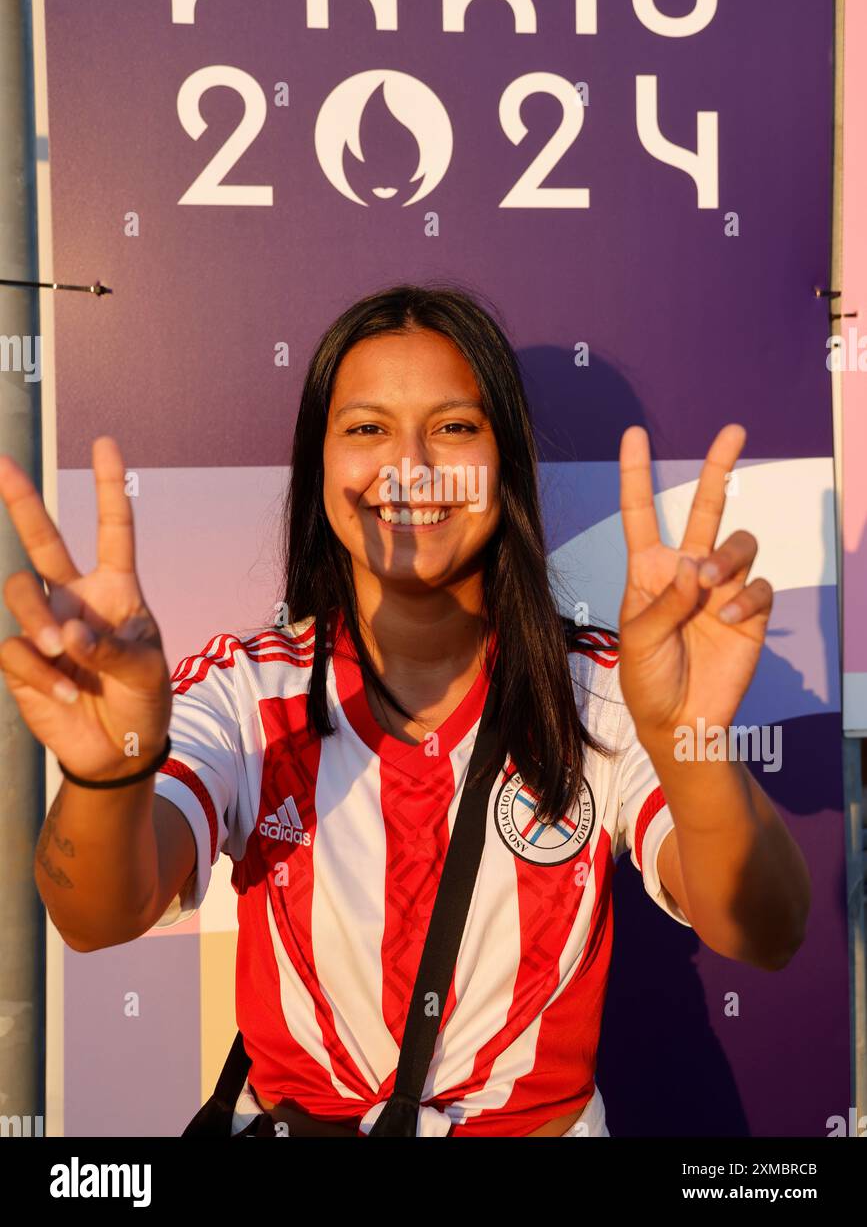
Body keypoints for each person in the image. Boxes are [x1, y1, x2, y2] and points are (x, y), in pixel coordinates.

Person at [0, 283, 810, 1137]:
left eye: (455, 428)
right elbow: (94, 918)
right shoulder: (245, 688)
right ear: (319, 465)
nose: (411, 467)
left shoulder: (607, 688)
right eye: (365, 429)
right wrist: (109, 771)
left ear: (505, 464)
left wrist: (689, 741)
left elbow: (765, 931)